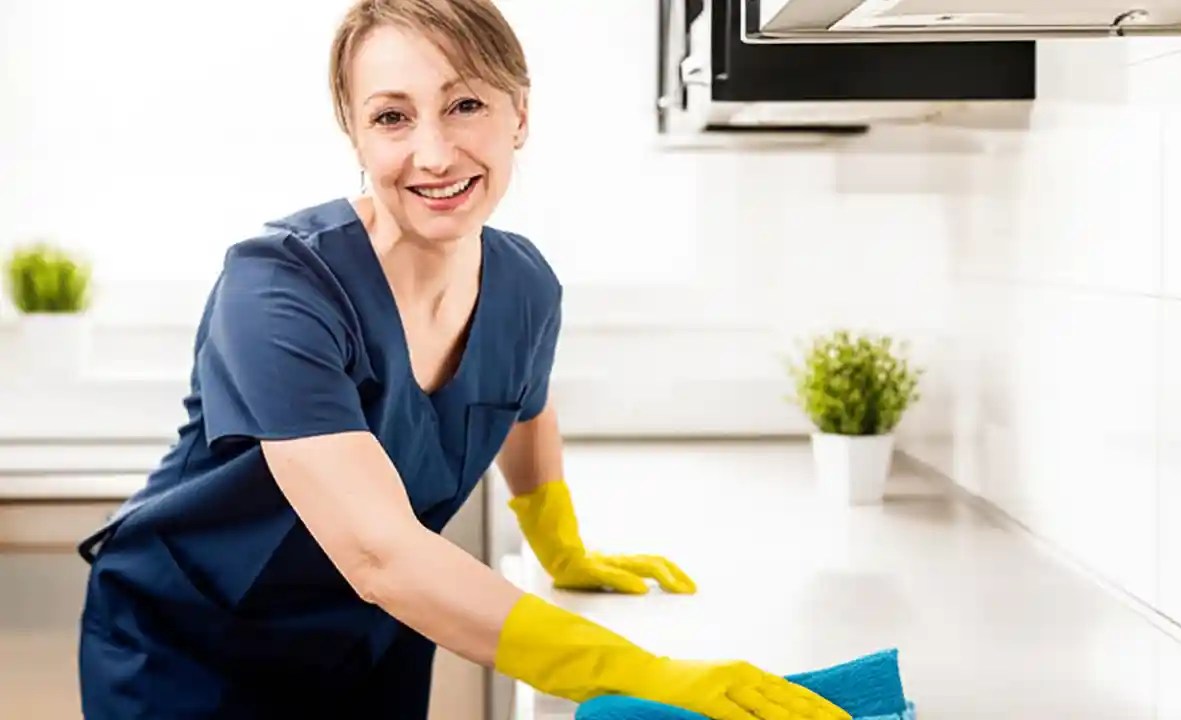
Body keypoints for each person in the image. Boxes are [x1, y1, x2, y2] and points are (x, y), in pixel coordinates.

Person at [75, 1, 853, 719]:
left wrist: (560, 544)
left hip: (371, 634)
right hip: (189, 650)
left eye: (466, 104)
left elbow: (524, 403)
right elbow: (379, 550)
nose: (435, 153)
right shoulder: (279, 288)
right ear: (354, 134)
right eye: (392, 117)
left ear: (521, 115)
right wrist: (637, 671)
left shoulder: (525, 284)